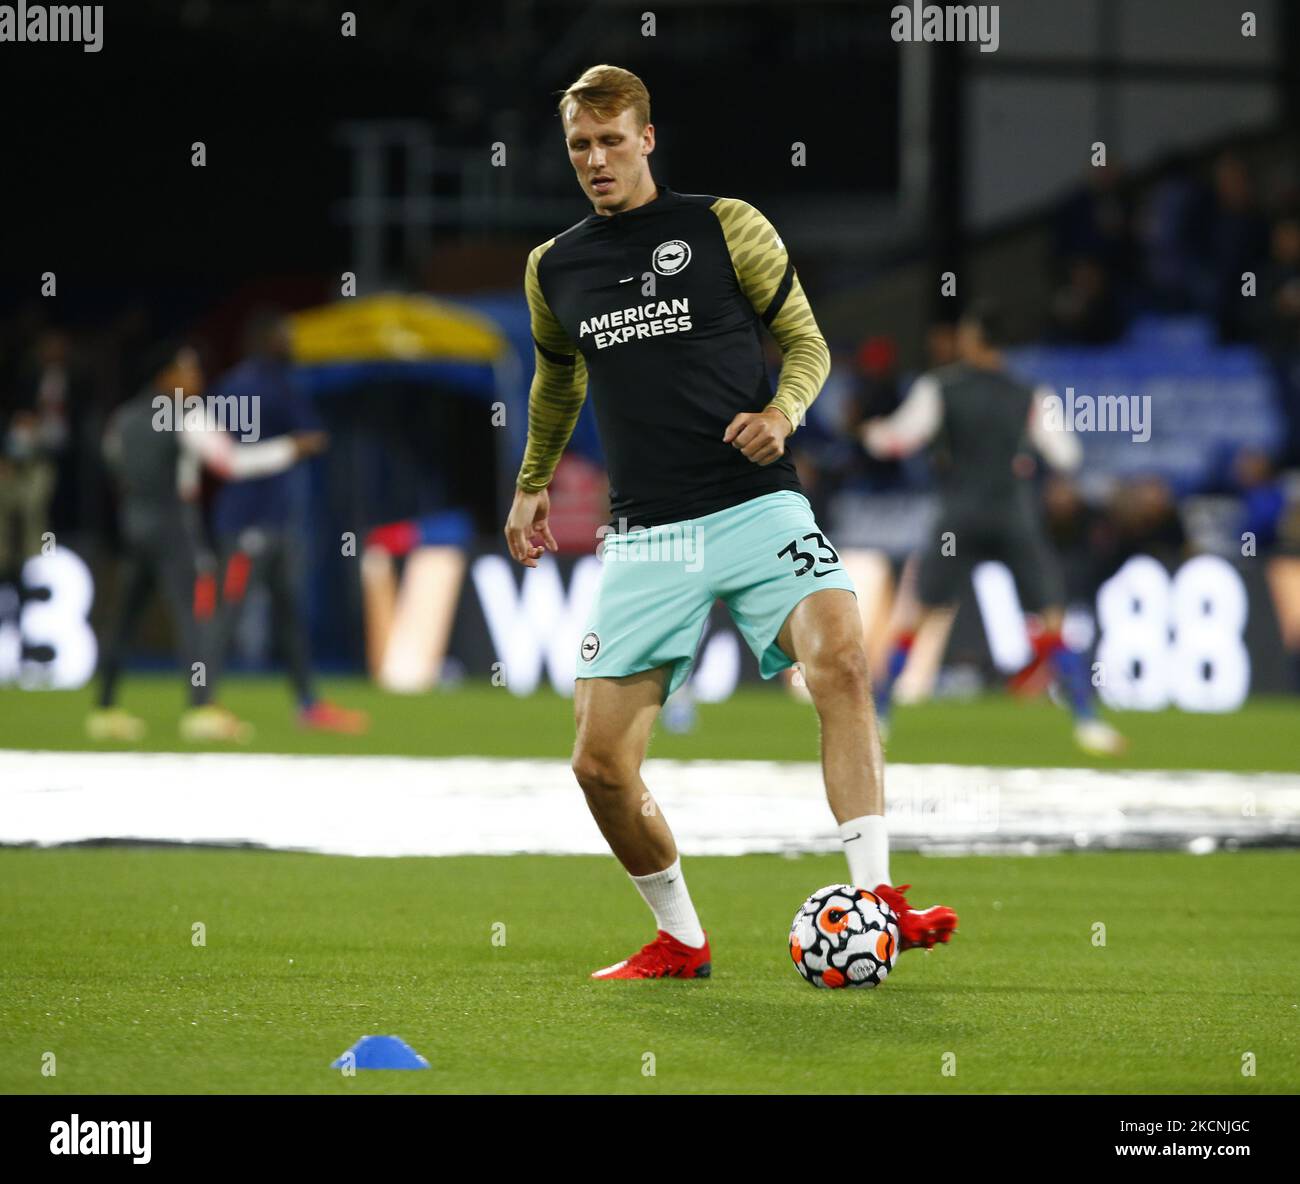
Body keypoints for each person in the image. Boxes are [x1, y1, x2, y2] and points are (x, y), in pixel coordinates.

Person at [502, 64, 957, 980]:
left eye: (611, 140)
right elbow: (559, 376)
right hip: (649, 534)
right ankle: (681, 937)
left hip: (756, 504)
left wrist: (783, 412)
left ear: (647, 137)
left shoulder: (724, 225)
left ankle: (873, 899)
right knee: (598, 766)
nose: (596, 160)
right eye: (580, 146)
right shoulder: (554, 267)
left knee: (843, 660)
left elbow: (808, 342)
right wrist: (534, 480)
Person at [861, 301, 1127, 757]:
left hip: (959, 513)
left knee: (920, 614)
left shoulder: (940, 387)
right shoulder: (1029, 393)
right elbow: (1067, 456)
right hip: (1013, 513)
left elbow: (898, 439)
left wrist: (870, 432)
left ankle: (880, 715)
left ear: (972, 339)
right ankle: (1087, 722)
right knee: (1052, 617)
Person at [88, 342, 325, 743]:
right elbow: (231, 463)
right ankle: (201, 709)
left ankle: (105, 709)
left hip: (134, 526)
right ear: (166, 377)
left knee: (124, 618)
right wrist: (291, 448)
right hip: (176, 529)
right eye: (188, 370)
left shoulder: (123, 417)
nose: (196, 379)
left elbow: (113, 461)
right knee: (195, 617)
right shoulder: (186, 415)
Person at [207, 313, 368, 734]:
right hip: (254, 519)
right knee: (234, 612)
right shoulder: (272, 383)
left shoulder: (228, 383)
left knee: (283, 614)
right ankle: (204, 704)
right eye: (283, 335)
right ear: (265, 339)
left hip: (252, 517)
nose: (290, 341)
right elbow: (313, 436)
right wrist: (292, 444)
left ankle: (307, 703)